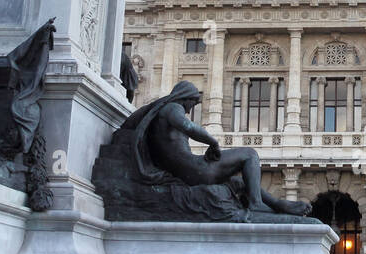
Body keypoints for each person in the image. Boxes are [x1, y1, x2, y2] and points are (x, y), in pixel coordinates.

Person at [130, 81, 310, 217]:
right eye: (194, 101)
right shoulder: (172, 108)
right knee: (249, 154)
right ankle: (256, 203)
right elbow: (188, 127)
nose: (193, 107)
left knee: (239, 182)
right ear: (185, 97)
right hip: (195, 170)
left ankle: (279, 204)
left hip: (189, 170)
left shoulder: (165, 113)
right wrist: (213, 142)